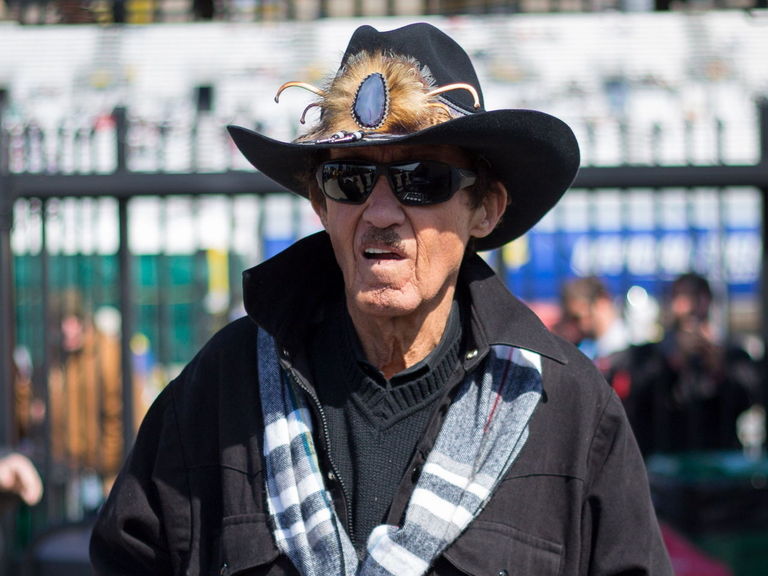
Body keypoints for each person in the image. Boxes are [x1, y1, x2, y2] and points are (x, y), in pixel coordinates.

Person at [90, 23, 672, 575]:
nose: (383, 213)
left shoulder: (567, 409)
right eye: (351, 180)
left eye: (423, 179)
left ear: (485, 208)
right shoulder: (224, 386)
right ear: (321, 204)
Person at [608, 273, 761, 457]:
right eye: (681, 297)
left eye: (697, 297)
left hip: (718, 458)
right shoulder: (649, 355)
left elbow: (749, 398)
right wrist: (675, 362)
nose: (689, 307)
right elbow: (640, 399)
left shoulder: (731, 353)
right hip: (664, 459)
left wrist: (717, 368)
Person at [559, 276, 631, 371]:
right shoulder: (586, 348)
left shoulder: (631, 349)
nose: (579, 326)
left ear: (602, 302)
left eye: (579, 318)